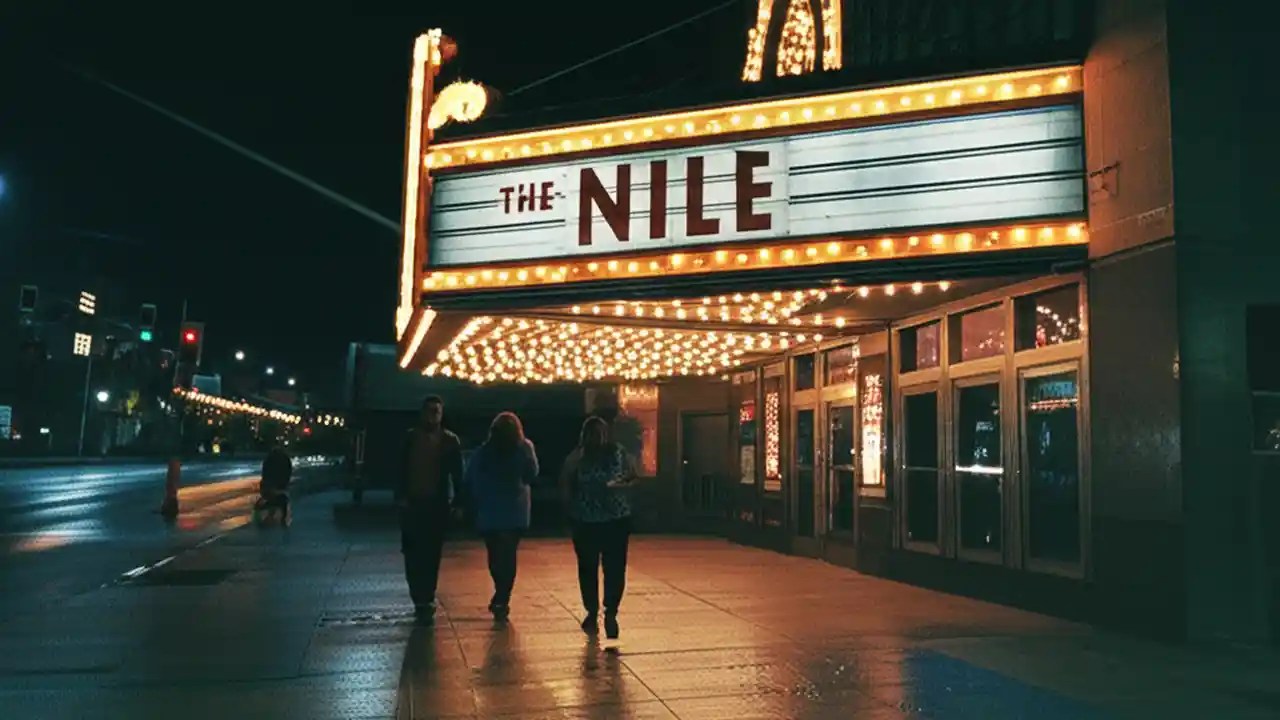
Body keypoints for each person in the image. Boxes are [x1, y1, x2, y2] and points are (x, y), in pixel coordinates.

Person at [559, 416, 637, 639]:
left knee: (613, 567)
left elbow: (633, 476)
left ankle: (610, 610)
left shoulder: (618, 453)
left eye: (602, 433)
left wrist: (622, 488)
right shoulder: (577, 457)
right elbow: (566, 483)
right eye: (594, 433)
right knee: (588, 567)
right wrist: (568, 512)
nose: (599, 438)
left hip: (614, 518)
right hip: (587, 519)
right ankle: (592, 610)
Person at [464, 412, 539, 620]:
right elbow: (532, 474)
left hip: (490, 509)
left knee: (495, 555)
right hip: (515, 510)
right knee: (508, 555)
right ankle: (503, 595)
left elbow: (470, 477)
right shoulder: (524, 448)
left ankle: (501, 592)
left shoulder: (484, 452)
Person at [398, 395, 465, 624]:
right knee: (413, 552)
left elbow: (457, 474)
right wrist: (401, 496)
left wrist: (458, 502)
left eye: (436, 411)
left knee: (430, 552)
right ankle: (420, 595)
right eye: (430, 411)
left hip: (435, 504)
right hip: (414, 502)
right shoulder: (411, 439)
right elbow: (399, 469)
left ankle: (425, 596)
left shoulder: (449, 441)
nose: (433, 415)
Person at [257, 445, 293, 524]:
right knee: (281, 500)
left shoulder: (270, 458)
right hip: (280, 483)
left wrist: (265, 480)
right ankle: (280, 516)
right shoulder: (284, 458)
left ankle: (270, 514)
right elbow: (288, 470)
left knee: (269, 498)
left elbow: (265, 470)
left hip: (271, 483)